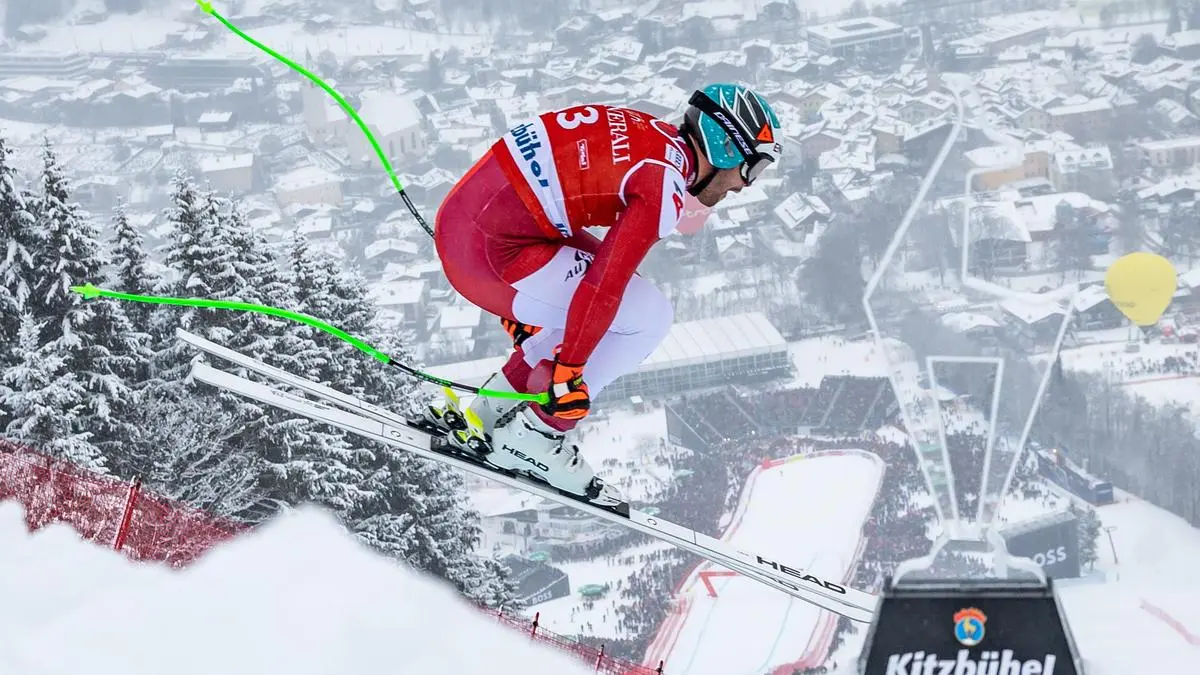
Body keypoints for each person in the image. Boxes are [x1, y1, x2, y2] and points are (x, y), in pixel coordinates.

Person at [429, 83, 782, 502]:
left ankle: (485, 412)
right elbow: (603, 287)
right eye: (752, 168)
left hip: (472, 231)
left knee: (607, 311)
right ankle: (537, 437)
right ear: (725, 146)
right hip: (488, 256)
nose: (744, 186)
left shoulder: (650, 133)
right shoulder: (661, 186)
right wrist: (568, 376)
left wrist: (563, 344)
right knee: (648, 317)